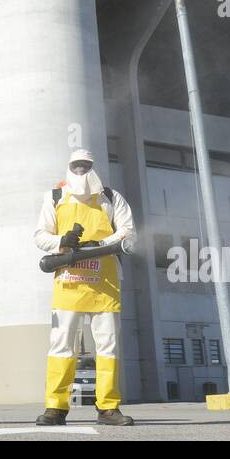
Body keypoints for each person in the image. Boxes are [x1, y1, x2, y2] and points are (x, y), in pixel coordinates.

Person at [34, 149, 137, 426]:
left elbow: (129, 232)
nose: (81, 170)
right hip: (68, 282)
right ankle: (55, 408)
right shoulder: (55, 197)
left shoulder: (111, 199)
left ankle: (108, 408)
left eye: (86, 165)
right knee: (61, 345)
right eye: (77, 165)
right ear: (69, 167)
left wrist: (99, 246)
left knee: (108, 346)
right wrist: (61, 241)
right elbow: (40, 236)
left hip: (105, 283)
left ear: (92, 167)